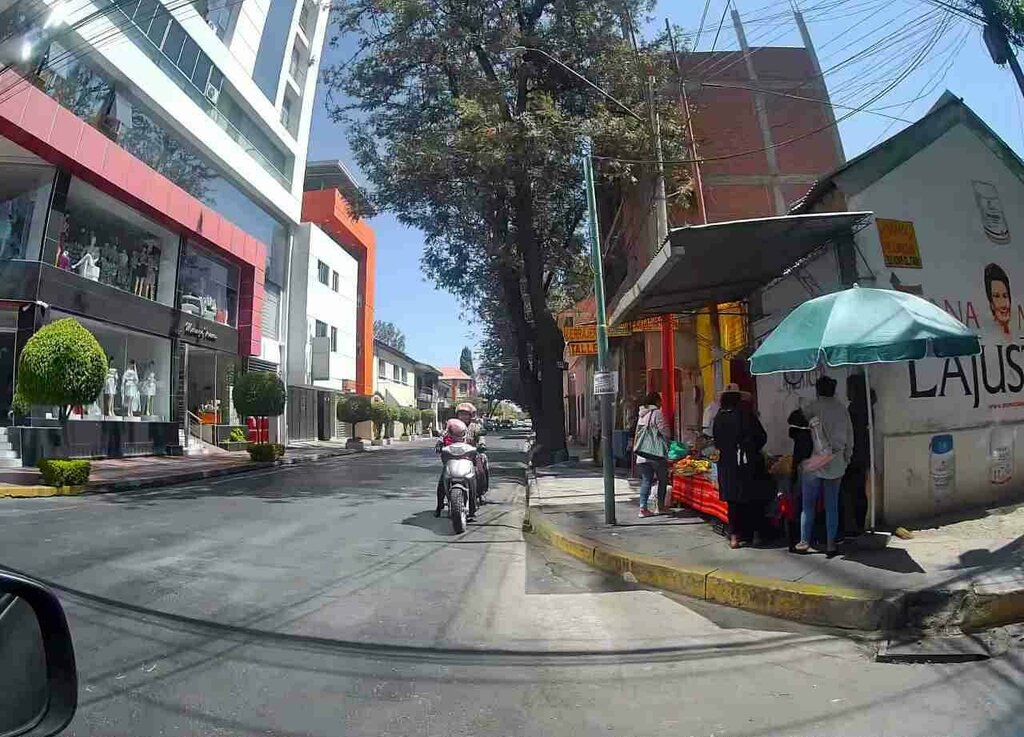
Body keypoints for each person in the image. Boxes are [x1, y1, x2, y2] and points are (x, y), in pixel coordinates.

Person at [796, 375, 853, 557]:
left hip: (814, 463)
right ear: (834, 390)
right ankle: (830, 545)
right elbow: (850, 438)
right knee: (832, 505)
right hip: (836, 462)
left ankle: (804, 541)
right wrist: (846, 459)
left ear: (817, 390)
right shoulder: (842, 410)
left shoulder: (810, 408)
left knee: (808, 505)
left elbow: (800, 435)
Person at [713, 387, 768, 549]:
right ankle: (756, 535)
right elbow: (762, 437)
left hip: (727, 465)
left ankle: (735, 537)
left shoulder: (719, 417)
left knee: (733, 503)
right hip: (747, 464)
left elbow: (717, 441)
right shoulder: (746, 415)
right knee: (753, 500)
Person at [841, 374, 874, 536]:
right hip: (864, 455)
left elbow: (849, 434)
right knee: (860, 491)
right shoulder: (868, 406)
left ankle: (852, 526)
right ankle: (859, 525)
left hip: (854, 456)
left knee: (851, 492)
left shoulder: (854, 409)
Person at [634, 391, 669, 518]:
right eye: (660, 401)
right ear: (656, 401)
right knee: (663, 479)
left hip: (643, 453)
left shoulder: (642, 414)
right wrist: (667, 442)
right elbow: (664, 430)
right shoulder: (657, 413)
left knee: (646, 480)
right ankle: (660, 507)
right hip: (656, 453)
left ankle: (643, 508)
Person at [984, 263, 1012, 338]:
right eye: (996, 296)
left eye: (1005, 296)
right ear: (991, 303)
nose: (1003, 304)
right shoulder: (988, 334)